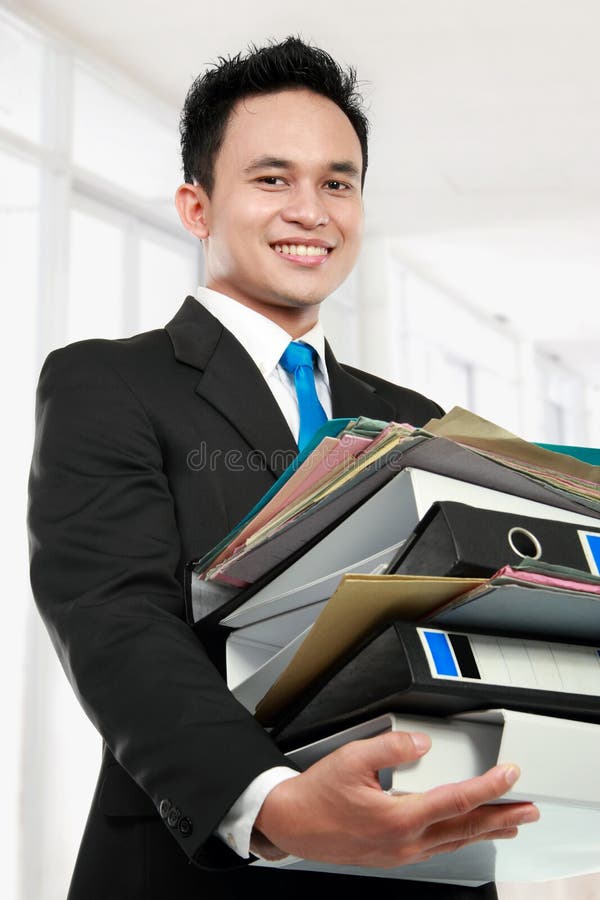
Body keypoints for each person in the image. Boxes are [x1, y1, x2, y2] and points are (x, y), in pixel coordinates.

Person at [28, 36, 539, 900]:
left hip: (422, 855)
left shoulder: (415, 417)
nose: (312, 210)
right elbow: (114, 617)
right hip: (200, 860)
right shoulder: (107, 381)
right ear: (197, 207)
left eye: (337, 182)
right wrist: (275, 804)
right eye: (273, 180)